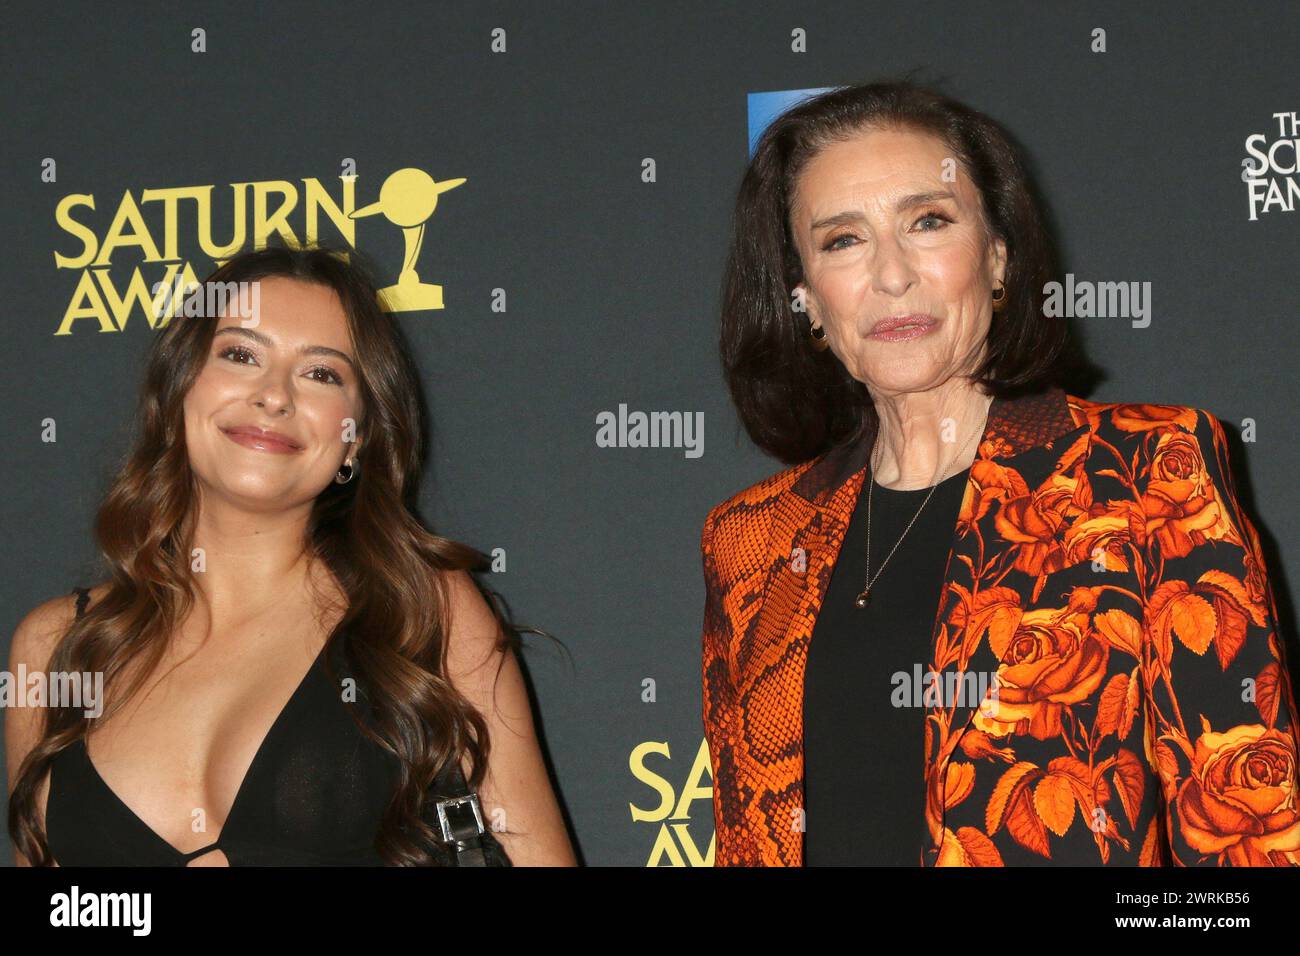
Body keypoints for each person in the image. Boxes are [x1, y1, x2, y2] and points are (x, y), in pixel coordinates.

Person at [701, 80, 1299, 866]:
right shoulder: (749, 539)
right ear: (805, 297)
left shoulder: (1148, 471)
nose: (891, 275)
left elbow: (1254, 847)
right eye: (843, 239)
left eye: (928, 222)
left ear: (1000, 259)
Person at [6, 242, 576, 866]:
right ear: (178, 391)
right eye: (241, 354)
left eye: (321, 373)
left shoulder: (423, 612)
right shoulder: (57, 647)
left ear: (357, 438)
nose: (274, 395)